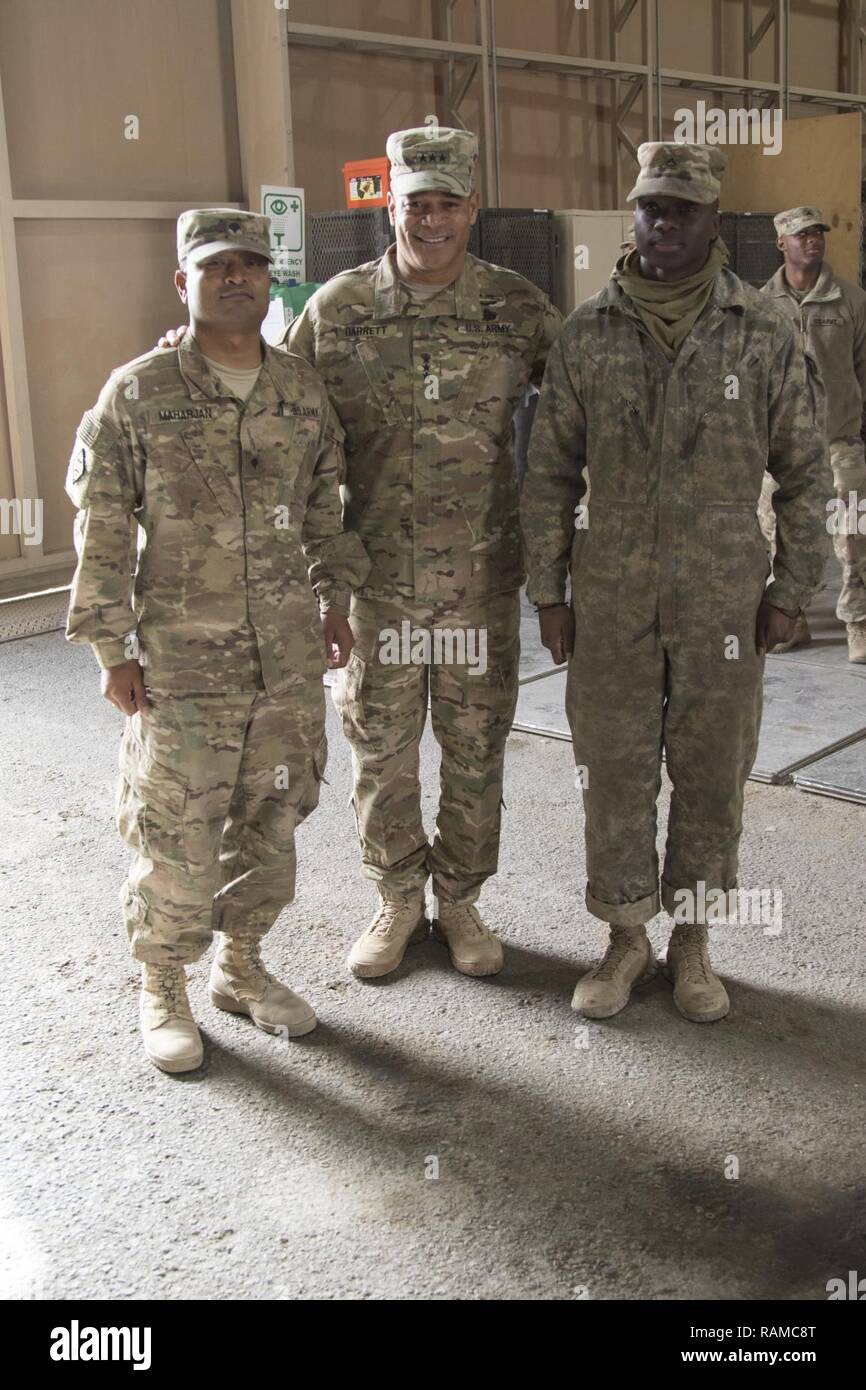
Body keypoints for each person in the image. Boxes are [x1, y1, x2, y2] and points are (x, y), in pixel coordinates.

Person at [522, 144, 827, 1024]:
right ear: (636, 214)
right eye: (651, 207)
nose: (662, 223)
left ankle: (692, 941)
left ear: (711, 220)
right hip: (611, 598)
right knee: (613, 770)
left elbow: (805, 471)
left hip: (723, 599)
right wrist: (549, 591)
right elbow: (548, 473)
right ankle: (625, 938)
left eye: (681, 210)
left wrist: (790, 588)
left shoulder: (764, 330)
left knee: (710, 771)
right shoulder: (589, 332)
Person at [65, 209, 369, 1072]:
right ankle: (163, 985)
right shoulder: (141, 391)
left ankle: (242, 967)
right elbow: (104, 528)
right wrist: (110, 647)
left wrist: (333, 602)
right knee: (178, 829)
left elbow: (325, 510)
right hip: (183, 664)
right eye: (215, 266)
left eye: (249, 264)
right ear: (183, 283)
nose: (235, 277)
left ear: (268, 278)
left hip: (285, 660)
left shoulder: (301, 391)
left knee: (272, 821)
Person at [283, 127, 563, 980]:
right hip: (379, 590)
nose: (432, 219)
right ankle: (399, 900)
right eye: (417, 204)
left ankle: (464, 900)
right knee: (382, 752)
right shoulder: (340, 309)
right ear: (391, 207)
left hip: (481, 586)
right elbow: (282, 414)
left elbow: (593, 399)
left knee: (477, 749)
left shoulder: (515, 309)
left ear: (472, 206)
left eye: (448, 203)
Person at [760, 207, 866, 662]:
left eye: (818, 233)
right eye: (801, 235)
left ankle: (858, 623)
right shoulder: (761, 304)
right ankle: (793, 617)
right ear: (782, 242)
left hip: (839, 440)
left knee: (854, 534)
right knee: (777, 532)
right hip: (782, 447)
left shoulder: (849, 299)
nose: (813, 241)